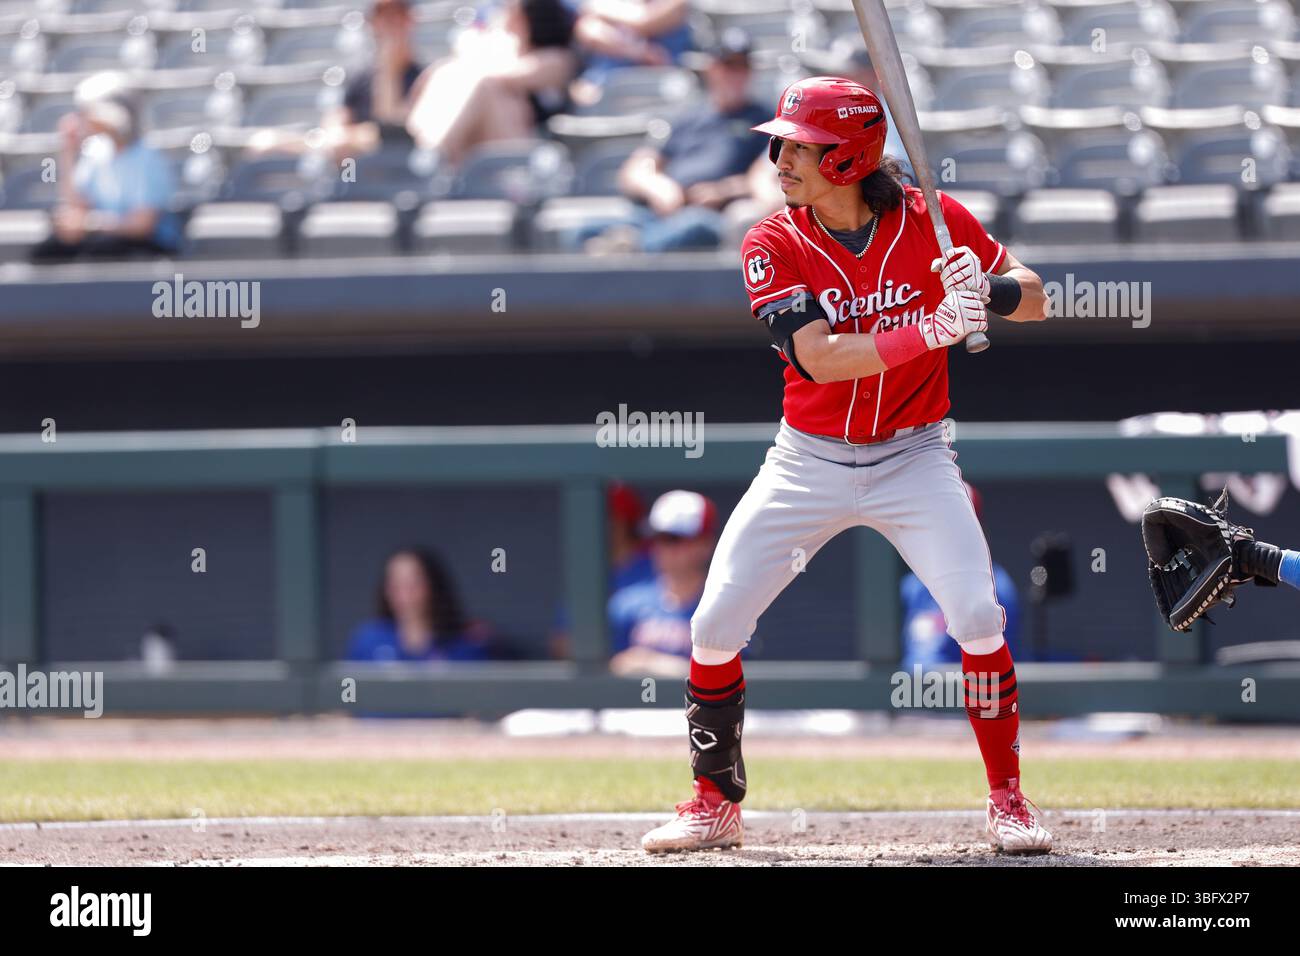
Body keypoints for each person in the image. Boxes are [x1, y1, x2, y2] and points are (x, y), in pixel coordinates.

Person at [640, 77, 1052, 856]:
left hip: (916, 454)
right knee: (715, 625)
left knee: (976, 616)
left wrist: (985, 291)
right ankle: (713, 801)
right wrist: (932, 328)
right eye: (783, 142)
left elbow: (1038, 298)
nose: (783, 157)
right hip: (809, 460)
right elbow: (822, 359)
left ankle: (1009, 800)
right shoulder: (772, 240)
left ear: (850, 158)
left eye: (803, 145)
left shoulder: (935, 220)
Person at [576, 29, 771, 253]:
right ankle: (625, 247)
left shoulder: (763, 121)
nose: (735, 76)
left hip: (712, 214)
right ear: (712, 69)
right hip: (661, 212)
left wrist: (722, 191)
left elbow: (770, 179)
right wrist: (658, 187)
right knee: (583, 231)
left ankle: (630, 248)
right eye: (728, 66)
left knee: (695, 228)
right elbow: (637, 168)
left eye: (742, 67)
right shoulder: (687, 116)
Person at [405, 0, 577, 169]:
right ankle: (426, 150)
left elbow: (499, 75)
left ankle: (431, 156)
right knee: (451, 73)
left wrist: (482, 46)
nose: (502, 18)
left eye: (511, 12)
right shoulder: (494, 55)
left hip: (527, 159)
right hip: (480, 148)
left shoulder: (556, 59)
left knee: (483, 85)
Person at [32, 72, 179, 263]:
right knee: (49, 252)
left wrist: (88, 224)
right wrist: (67, 152)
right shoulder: (96, 153)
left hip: (148, 247)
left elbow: (142, 225)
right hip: (107, 237)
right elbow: (77, 207)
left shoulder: (147, 158)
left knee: (103, 250)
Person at [901, 483, 1022, 671]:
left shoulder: (995, 588)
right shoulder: (914, 585)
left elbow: (992, 668)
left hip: (960, 694)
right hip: (907, 694)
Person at [608, 490, 718, 677]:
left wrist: (657, 664)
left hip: (699, 706)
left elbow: (731, 674)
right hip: (637, 705)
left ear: (705, 544)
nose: (663, 549)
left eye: (673, 539)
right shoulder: (628, 602)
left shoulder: (724, 604)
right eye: (657, 539)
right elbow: (603, 668)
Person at [547, 481, 656, 659]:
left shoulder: (658, 566)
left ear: (625, 522)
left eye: (609, 518)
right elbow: (561, 642)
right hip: (604, 679)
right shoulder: (586, 572)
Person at [323, 0, 426, 160]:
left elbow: (393, 125)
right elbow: (336, 125)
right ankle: (347, 180)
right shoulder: (358, 75)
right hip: (354, 160)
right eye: (384, 17)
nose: (390, 24)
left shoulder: (424, 76)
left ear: (409, 21)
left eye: (397, 16)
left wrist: (389, 71)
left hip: (400, 162)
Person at [346, 548, 490, 662]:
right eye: (396, 584)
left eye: (413, 583)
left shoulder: (464, 643)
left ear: (433, 586)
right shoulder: (369, 639)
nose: (404, 594)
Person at [568, 0, 692, 107]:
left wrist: (602, 9)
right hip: (605, 85)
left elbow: (644, 21)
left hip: (664, 85)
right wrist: (639, 51)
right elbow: (589, 29)